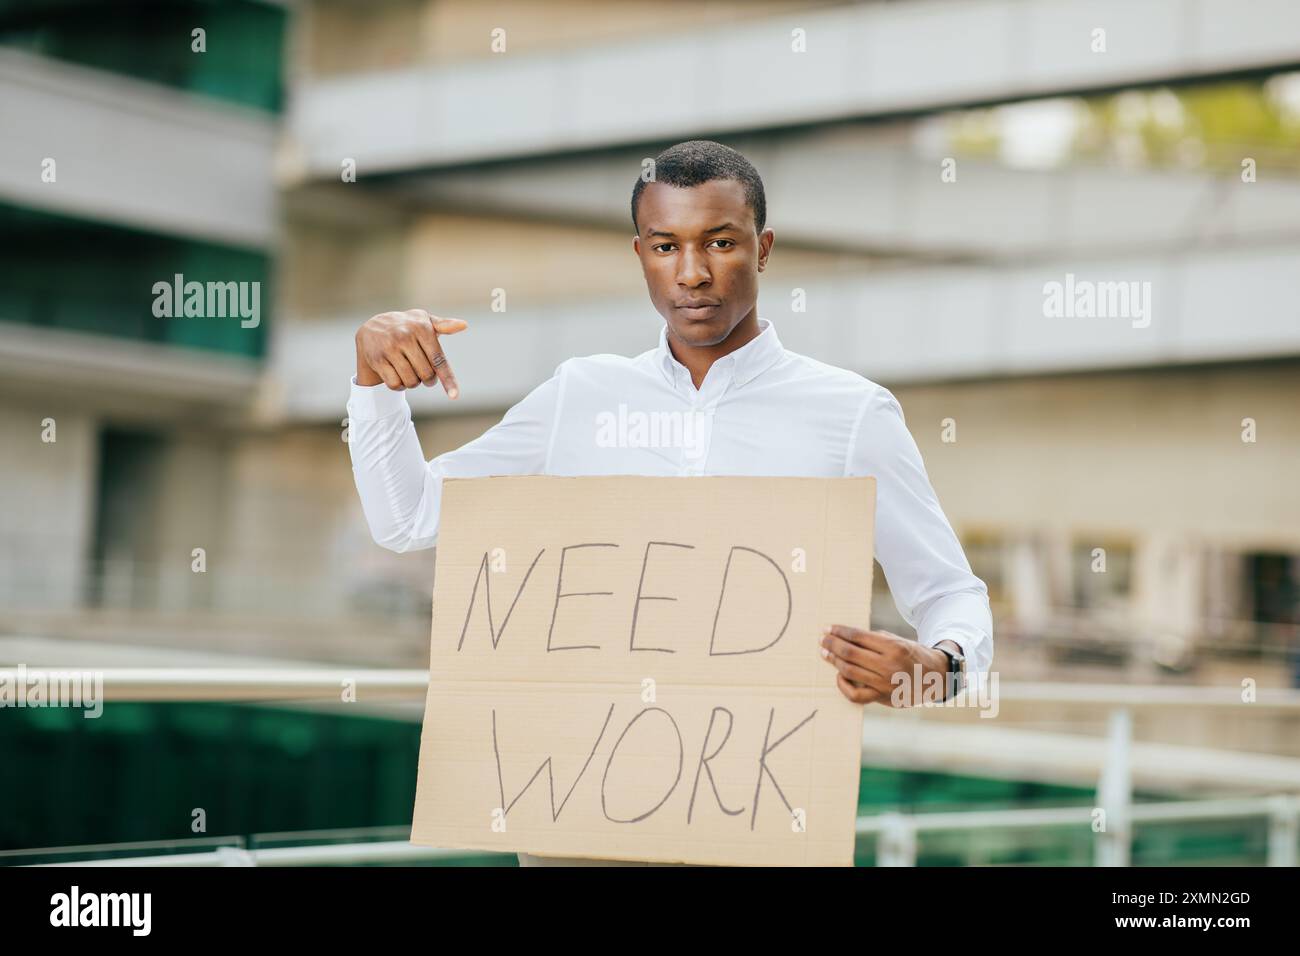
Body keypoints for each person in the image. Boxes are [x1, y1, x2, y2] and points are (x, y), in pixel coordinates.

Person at [346, 140, 993, 866]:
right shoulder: (579, 396)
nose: (692, 273)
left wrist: (944, 668)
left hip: (757, 824)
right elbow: (408, 520)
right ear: (640, 253)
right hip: (577, 827)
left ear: (763, 247)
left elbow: (950, 594)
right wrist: (372, 386)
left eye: (720, 242)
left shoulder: (852, 414)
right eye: (666, 246)